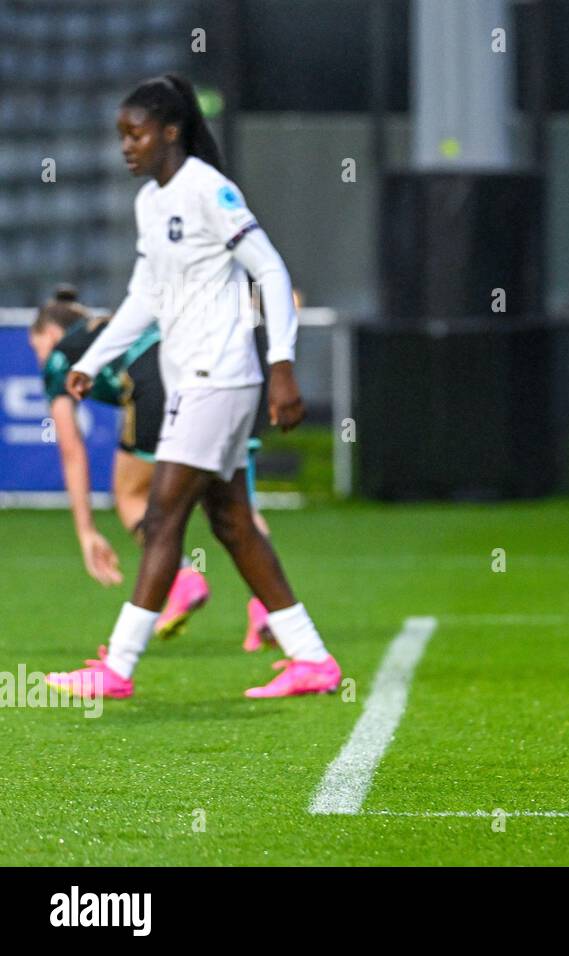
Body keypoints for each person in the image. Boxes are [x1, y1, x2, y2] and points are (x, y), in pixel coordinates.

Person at [45, 73, 337, 700]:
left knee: (162, 514)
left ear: (170, 132)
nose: (126, 146)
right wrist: (94, 360)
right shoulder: (150, 202)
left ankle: (117, 668)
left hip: (221, 375)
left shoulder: (210, 190)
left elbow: (270, 267)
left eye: (137, 133)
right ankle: (312, 660)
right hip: (193, 382)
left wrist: (282, 363)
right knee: (231, 522)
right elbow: (144, 295)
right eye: (122, 135)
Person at [30, 286, 278, 651]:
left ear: (50, 333)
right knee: (234, 504)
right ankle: (267, 607)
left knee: (132, 495)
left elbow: (72, 451)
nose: (39, 356)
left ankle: (182, 578)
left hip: (158, 385)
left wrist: (86, 531)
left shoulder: (60, 356)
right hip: (214, 376)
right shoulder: (113, 323)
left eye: (36, 346)